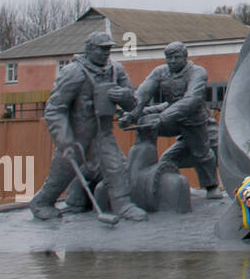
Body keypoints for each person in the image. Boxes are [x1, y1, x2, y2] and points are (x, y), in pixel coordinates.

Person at [29, 31, 147, 222]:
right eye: (101, 49)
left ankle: (122, 205)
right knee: (61, 174)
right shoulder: (73, 72)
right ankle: (42, 202)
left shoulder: (116, 70)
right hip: (77, 136)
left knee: (116, 166)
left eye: (108, 49)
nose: (105, 53)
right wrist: (64, 140)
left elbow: (133, 104)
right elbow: (54, 109)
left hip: (103, 133)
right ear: (89, 49)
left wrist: (124, 96)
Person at [125, 41, 224, 199]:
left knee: (202, 153)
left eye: (176, 57)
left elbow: (191, 100)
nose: (171, 61)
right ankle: (139, 173)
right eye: (168, 58)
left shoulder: (197, 72)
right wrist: (132, 114)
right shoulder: (161, 72)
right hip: (170, 114)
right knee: (145, 123)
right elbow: (143, 92)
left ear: (185, 56)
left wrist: (162, 118)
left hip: (193, 118)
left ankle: (211, 186)